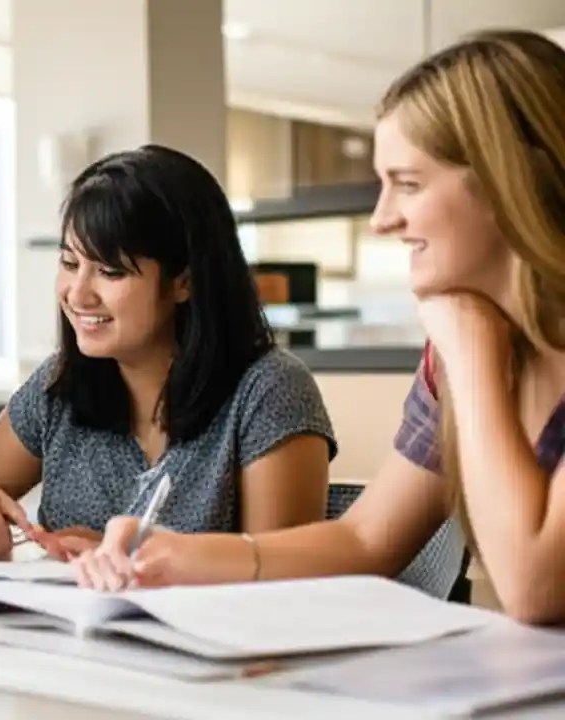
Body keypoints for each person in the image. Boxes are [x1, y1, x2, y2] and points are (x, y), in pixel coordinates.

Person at [76, 30, 565, 626]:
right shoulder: (463, 347)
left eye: (407, 184)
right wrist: (184, 555)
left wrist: (470, 356)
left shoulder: (465, 345)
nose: (383, 220)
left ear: (509, 181)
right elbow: (367, 541)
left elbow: (536, 589)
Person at [0, 146, 337, 561]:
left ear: (185, 281)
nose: (78, 294)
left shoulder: (270, 390)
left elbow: (284, 575)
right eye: (70, 264)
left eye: (111, 272)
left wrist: (133, 560)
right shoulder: (59, 384)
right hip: (60, 623)